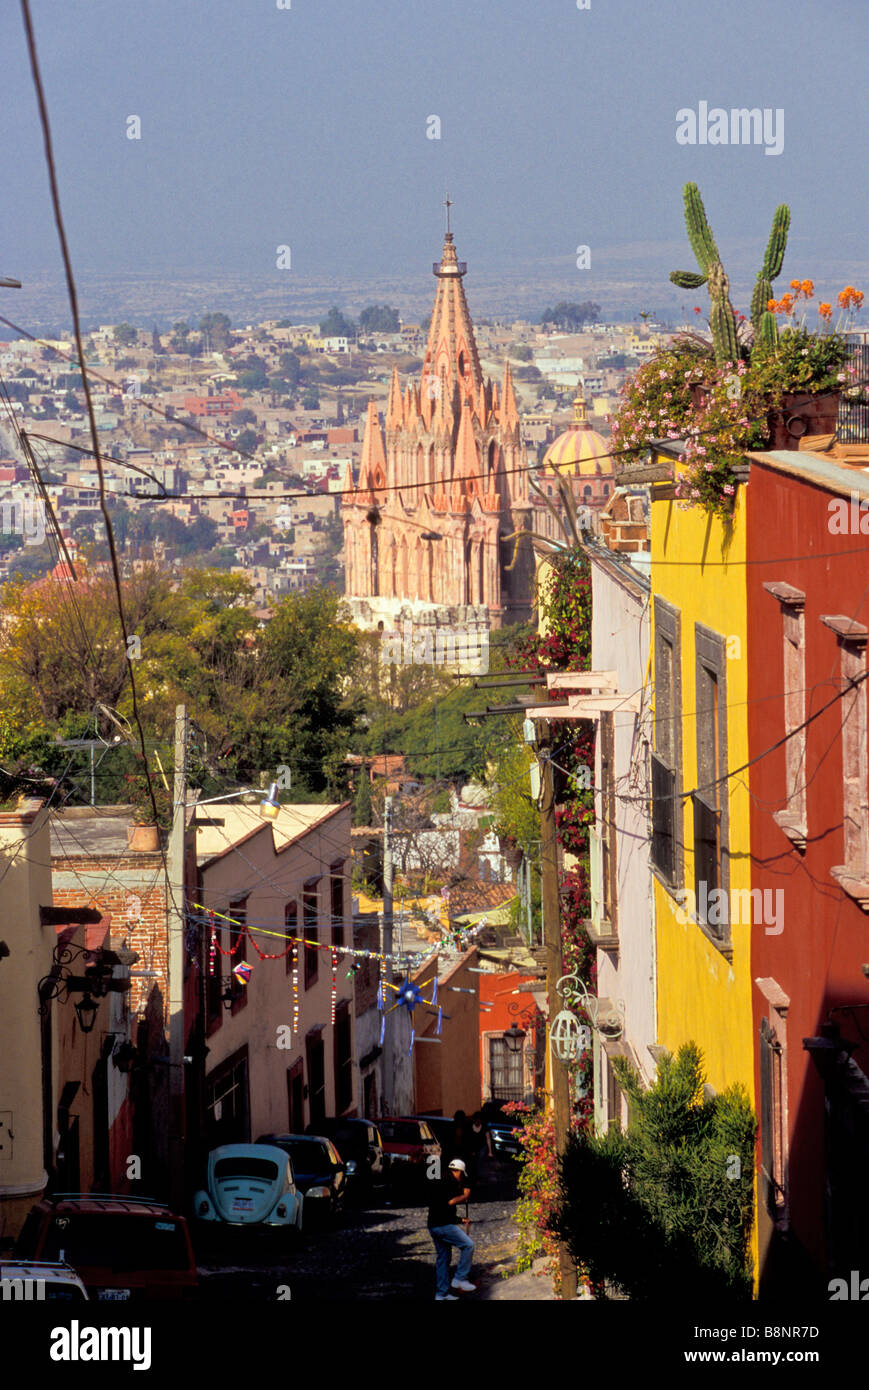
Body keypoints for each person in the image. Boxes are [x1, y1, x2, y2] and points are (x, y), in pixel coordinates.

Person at [428, 1158, 476, 1300]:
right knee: (468, 1245)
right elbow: (451, 1202)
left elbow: (443, 1208)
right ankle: (460, 1279)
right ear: (459, 1172)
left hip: (433, 1225)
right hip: (443, 1225)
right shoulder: (450, 1182)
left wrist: (461, 1220)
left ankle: (441, 1294)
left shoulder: (441, 1179)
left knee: (443, 1258)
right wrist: (465, 1196)